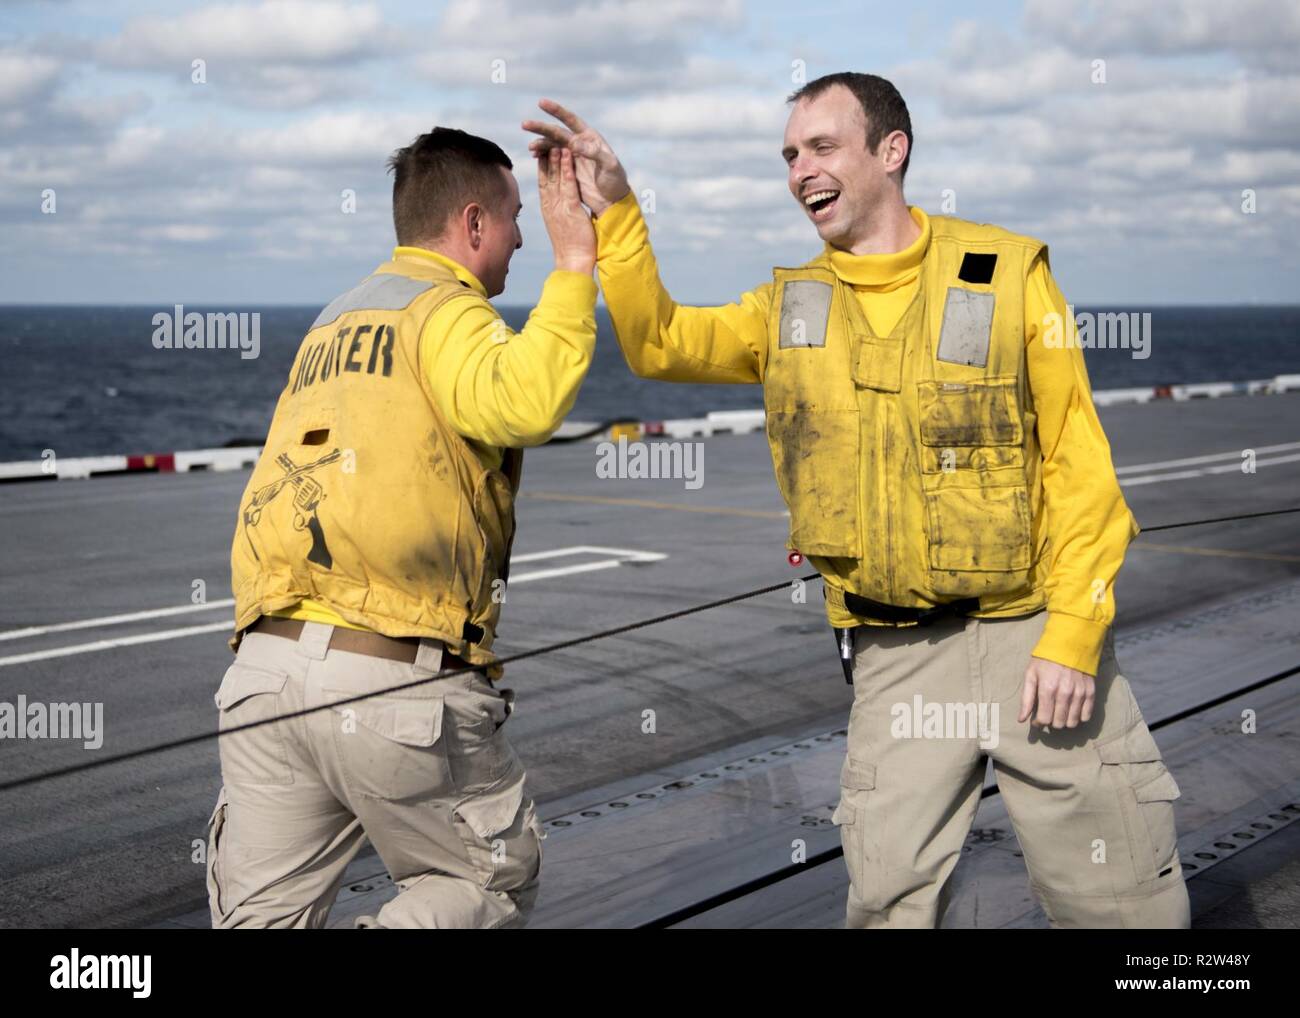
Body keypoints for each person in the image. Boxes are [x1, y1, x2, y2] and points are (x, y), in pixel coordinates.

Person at [523, 74, 1190, 929]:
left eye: (822, 147)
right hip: (894, 658)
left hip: (1036, 641)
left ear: (891, 151)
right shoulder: (788, 304)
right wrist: (615, 211)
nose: (802, 170)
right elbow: (658, 342)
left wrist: (1072, 637)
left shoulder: (1010, 275)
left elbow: (1080, 470)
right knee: (886, 905)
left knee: (1123, 902)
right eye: (791, 155)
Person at [205, 129, 598, 928]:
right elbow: (525, 402)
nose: (524, 236)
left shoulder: (333, 319)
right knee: (489, 879)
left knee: (260, 918)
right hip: (389, 677)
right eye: (517, 218)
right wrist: (576, 267)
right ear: (474, 223)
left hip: (265, 676)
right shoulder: (447, 312)